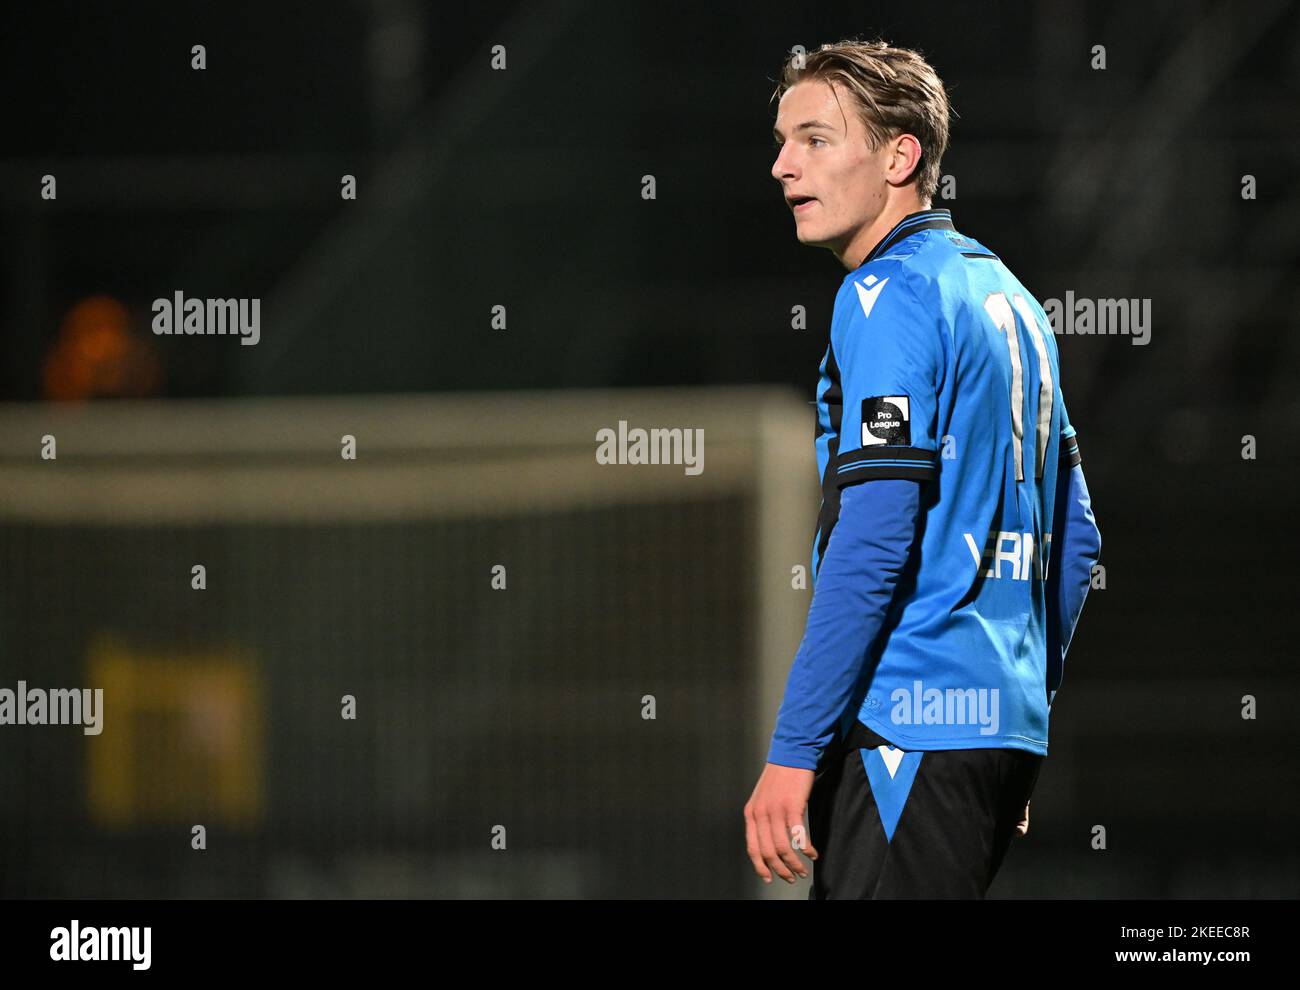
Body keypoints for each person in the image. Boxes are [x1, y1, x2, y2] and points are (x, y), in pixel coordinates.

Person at [743, 38, 1102, 898]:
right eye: (784, 141)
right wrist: (1015, 718)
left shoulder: (886, 293)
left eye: (815, 140)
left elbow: (873, 534)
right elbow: (1077, 542)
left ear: (901, 156)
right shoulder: (1011, 296)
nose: (782, 165)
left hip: (908, 722)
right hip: (991, 729)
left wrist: (793, 751)